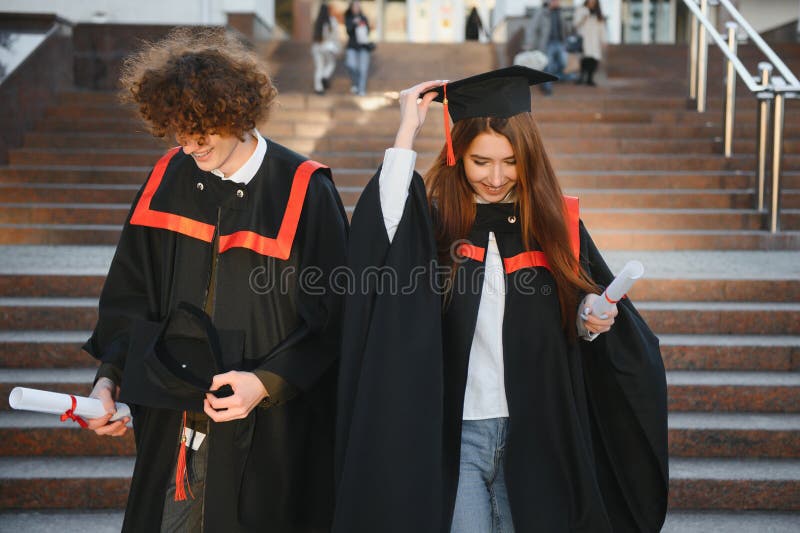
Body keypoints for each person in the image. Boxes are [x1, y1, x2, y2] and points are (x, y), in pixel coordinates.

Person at [334, 67, 668, 532]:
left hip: (538, 431)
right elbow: (381, 235)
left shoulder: (556, 225)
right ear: (456, 156)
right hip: (458, 432)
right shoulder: (435, 225)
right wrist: (407, 131)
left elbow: (576, 315)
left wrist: (588, 318)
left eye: (510, 162)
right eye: (480, 161)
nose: (495, 177)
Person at [82, 28, 348, 532]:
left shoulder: (302, 189)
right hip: (171, 423)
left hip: (268, 427)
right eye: (177, 130)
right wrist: (108, 380)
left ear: (238, 115)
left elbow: (332, 317)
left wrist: (264, 383)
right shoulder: (168, 178)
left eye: (201, 129)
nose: (188, 144)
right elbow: (130, 294)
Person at [529, 0, 570, 94]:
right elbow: (532, 28)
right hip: (547, 43)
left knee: (563, 63)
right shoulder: (542, 12)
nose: (557, 2)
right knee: (548, 65)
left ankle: (544, 79)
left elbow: (565, 28)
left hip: (560, 42)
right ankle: (547, 87)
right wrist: (529, 43)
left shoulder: (561, 12)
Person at [574, 0, 606, 86]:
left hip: (595, 40)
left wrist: (603, 40)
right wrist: (583, 19)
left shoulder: (598, 12)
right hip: (585, 39)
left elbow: (602, 28)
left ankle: (590, 79)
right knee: (584, 59)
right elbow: (575, 25)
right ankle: (581, 78)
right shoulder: (581, 10)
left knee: (594, 59)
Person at [311, 2, 340, 94]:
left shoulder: (317, 21)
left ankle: (318, 88)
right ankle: (325, 76)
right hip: (327, 47)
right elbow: (335, 36)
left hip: (316, 47)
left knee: (319, 67)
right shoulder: (332, 21)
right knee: (331, 63)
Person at [344, 1, 372, 96]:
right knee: (351, 65)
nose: (356, 8)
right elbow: (348, 31)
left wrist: (362, 25)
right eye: (355, 6)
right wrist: (354, 23)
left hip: (363, 46)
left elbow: (367, 31)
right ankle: (355, 84)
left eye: (358, 6)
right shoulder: (348, 18)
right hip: (352, 46)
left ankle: (361, 90)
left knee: (363, 69)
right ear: (351, 7)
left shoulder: (364, 18)